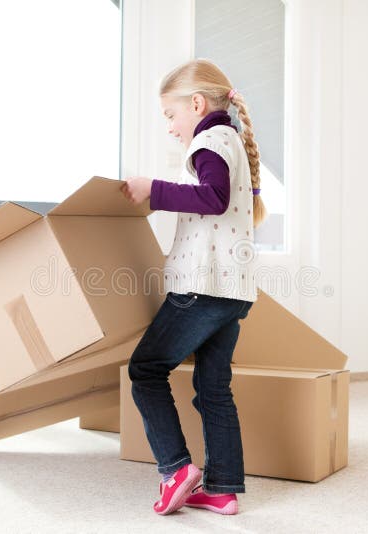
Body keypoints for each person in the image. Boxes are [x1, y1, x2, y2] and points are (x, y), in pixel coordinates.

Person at [119, 58, 268, 516]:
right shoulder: (231, 141)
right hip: (233, 290)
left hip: (202, 286)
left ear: (197, 104)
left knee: (145, 369)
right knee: (213, 387)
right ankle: (221, 488)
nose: (170, 127)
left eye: (170, 115)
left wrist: (153, 189)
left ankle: (176, 468)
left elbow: (214, 198)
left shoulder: (209, 141)